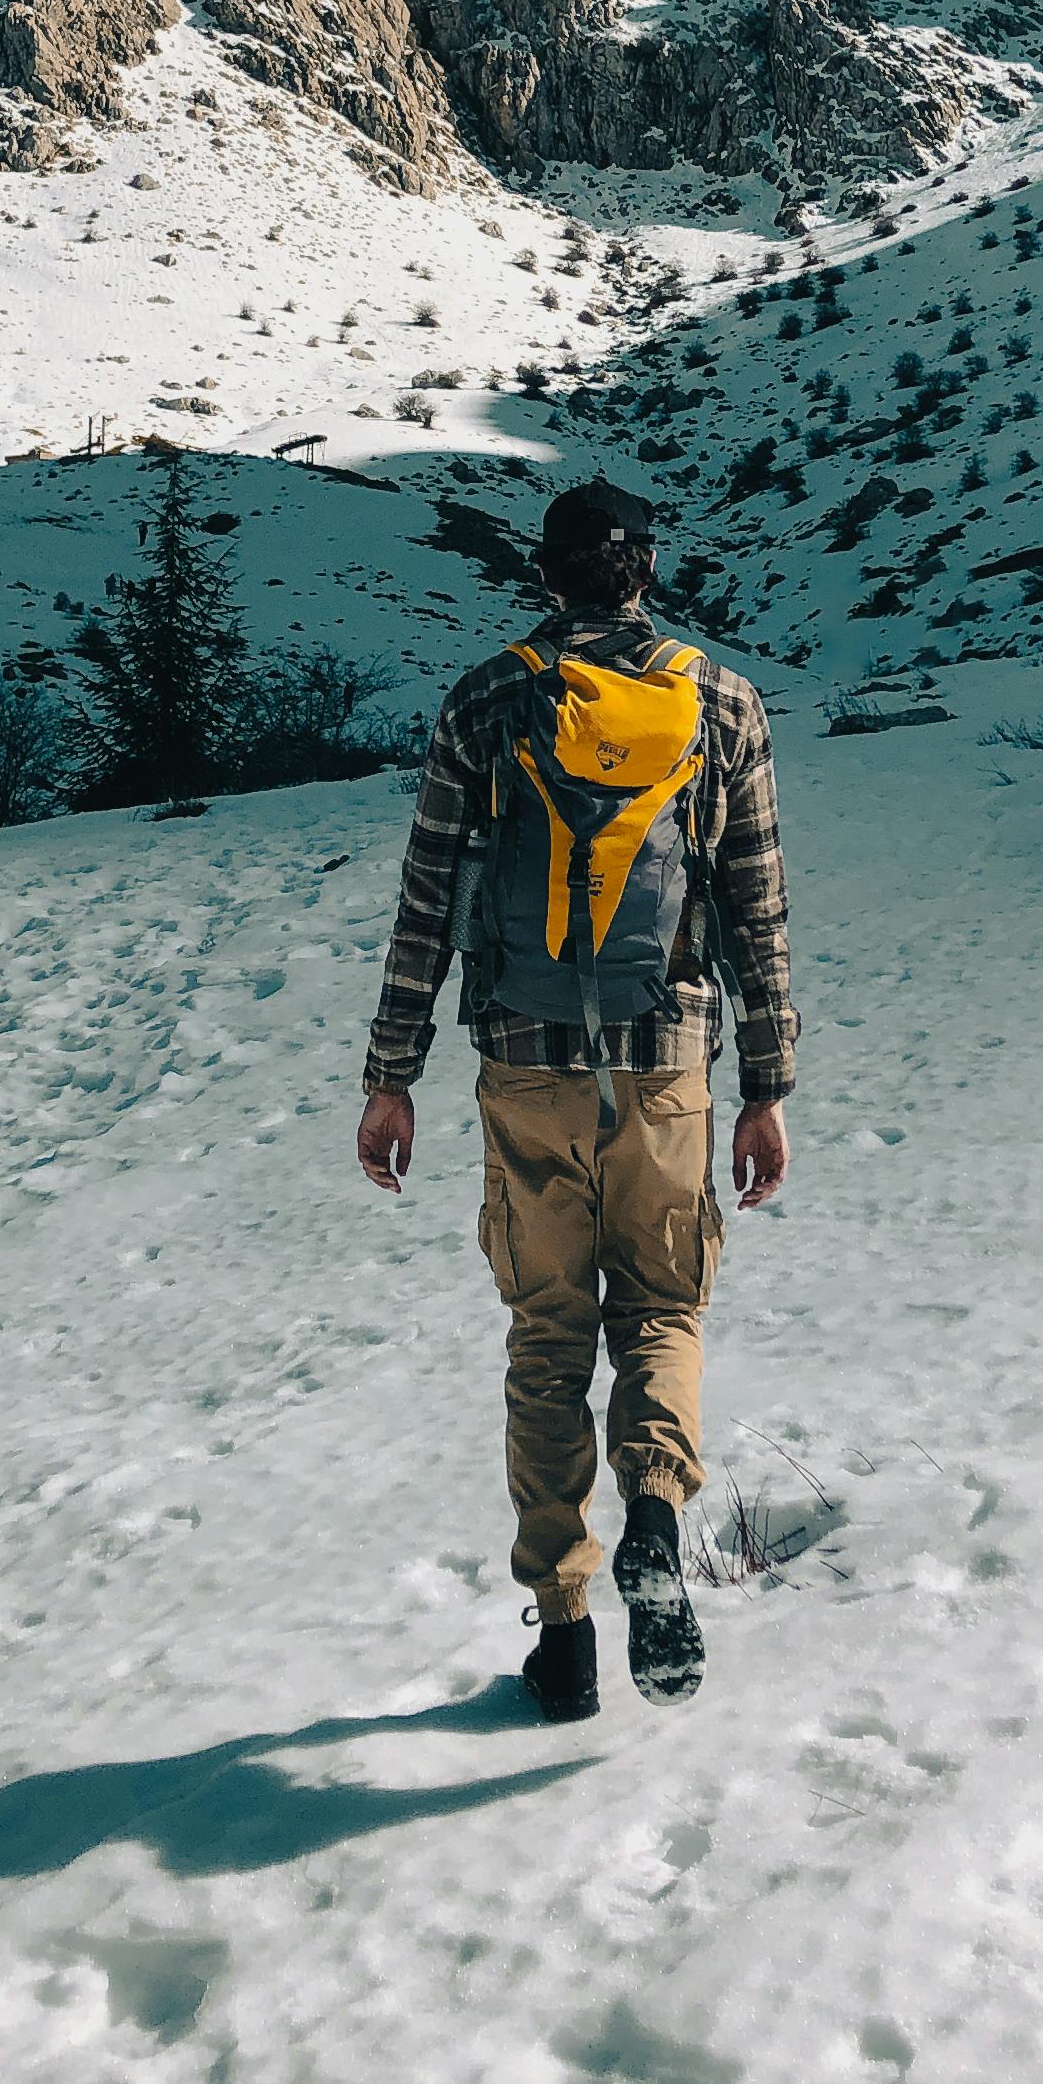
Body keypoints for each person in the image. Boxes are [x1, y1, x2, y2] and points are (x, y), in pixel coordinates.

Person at [356, 478, 795, 1725]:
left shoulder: (488, 698)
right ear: (646, 569)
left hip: (527, 1064)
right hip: (667, 1060)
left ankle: (566, 1633)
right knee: (661, 1308)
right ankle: (655, 1515)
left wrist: (391, 1077)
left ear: (546, 578)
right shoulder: (722, 701)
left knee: (549, 1339)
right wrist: (769, 1086)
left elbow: (427, 904)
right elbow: (756, 909)